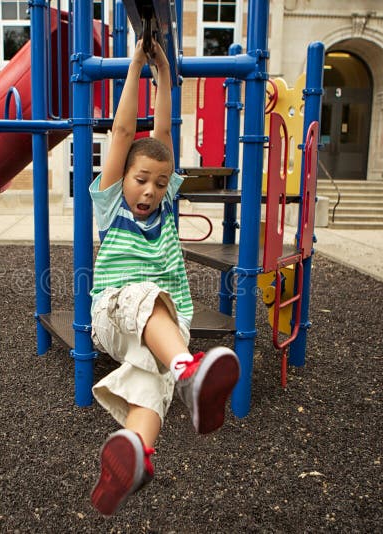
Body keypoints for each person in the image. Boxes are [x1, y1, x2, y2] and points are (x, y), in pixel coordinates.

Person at [88, 37, 241, 516]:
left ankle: (137, 454)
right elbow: (124, 130)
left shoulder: (168, 204)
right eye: (141, 179)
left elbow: (165, 134)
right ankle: (190, 373)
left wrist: (167, 80)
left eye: (160, 182)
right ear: (123, 177)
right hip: (114, 312)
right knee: (146, 296)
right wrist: (137, 67)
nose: (150, 190)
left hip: (167, 330)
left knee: (150, 380)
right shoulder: (111, 202)